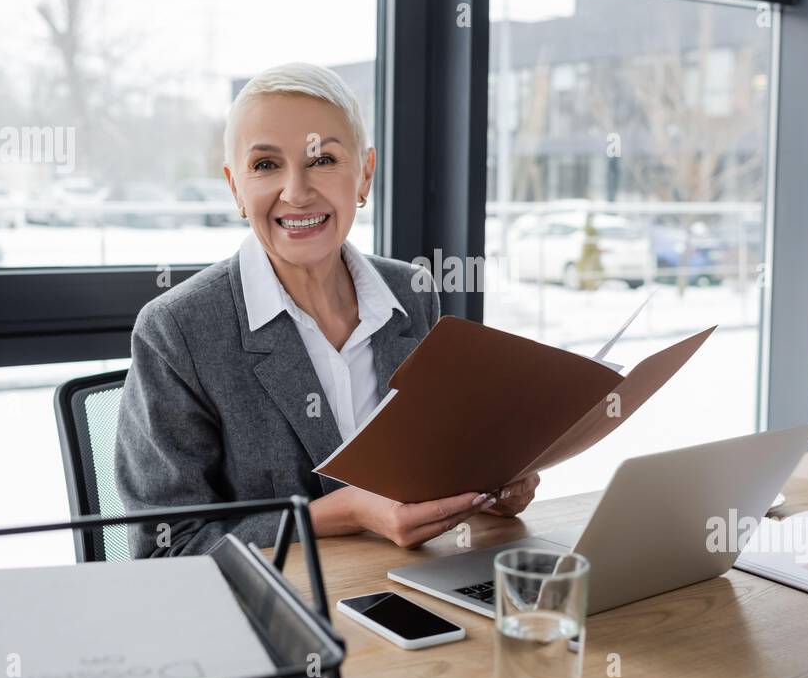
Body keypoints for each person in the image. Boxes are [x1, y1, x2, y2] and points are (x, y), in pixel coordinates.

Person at [115, 62, 539, 556]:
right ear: (235, 187)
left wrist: (487, 489)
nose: (296, 192)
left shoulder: (412, 293)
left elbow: (434, 462)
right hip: (276, 616)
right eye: (266, 166)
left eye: (322, 160)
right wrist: (345, 513)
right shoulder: (176, 331)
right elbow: (167, 548)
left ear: (364, 175)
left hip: (412, 587)